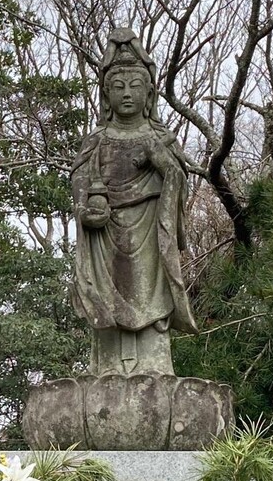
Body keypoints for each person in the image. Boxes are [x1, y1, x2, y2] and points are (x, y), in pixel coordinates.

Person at [70, 26, 197, 375]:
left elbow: (179, 181)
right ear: (106, 95)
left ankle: (155, 366)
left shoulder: (162, 138)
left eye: (135, 86)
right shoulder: (96, 140)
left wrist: (160, 161)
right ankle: (107, 368)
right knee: (105, 303)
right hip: (105, 236)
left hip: (151, 236)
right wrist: (85, 211)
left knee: (151, 296)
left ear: (150, 92)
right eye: (118, 87)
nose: (127, 94)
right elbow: (79, 179)